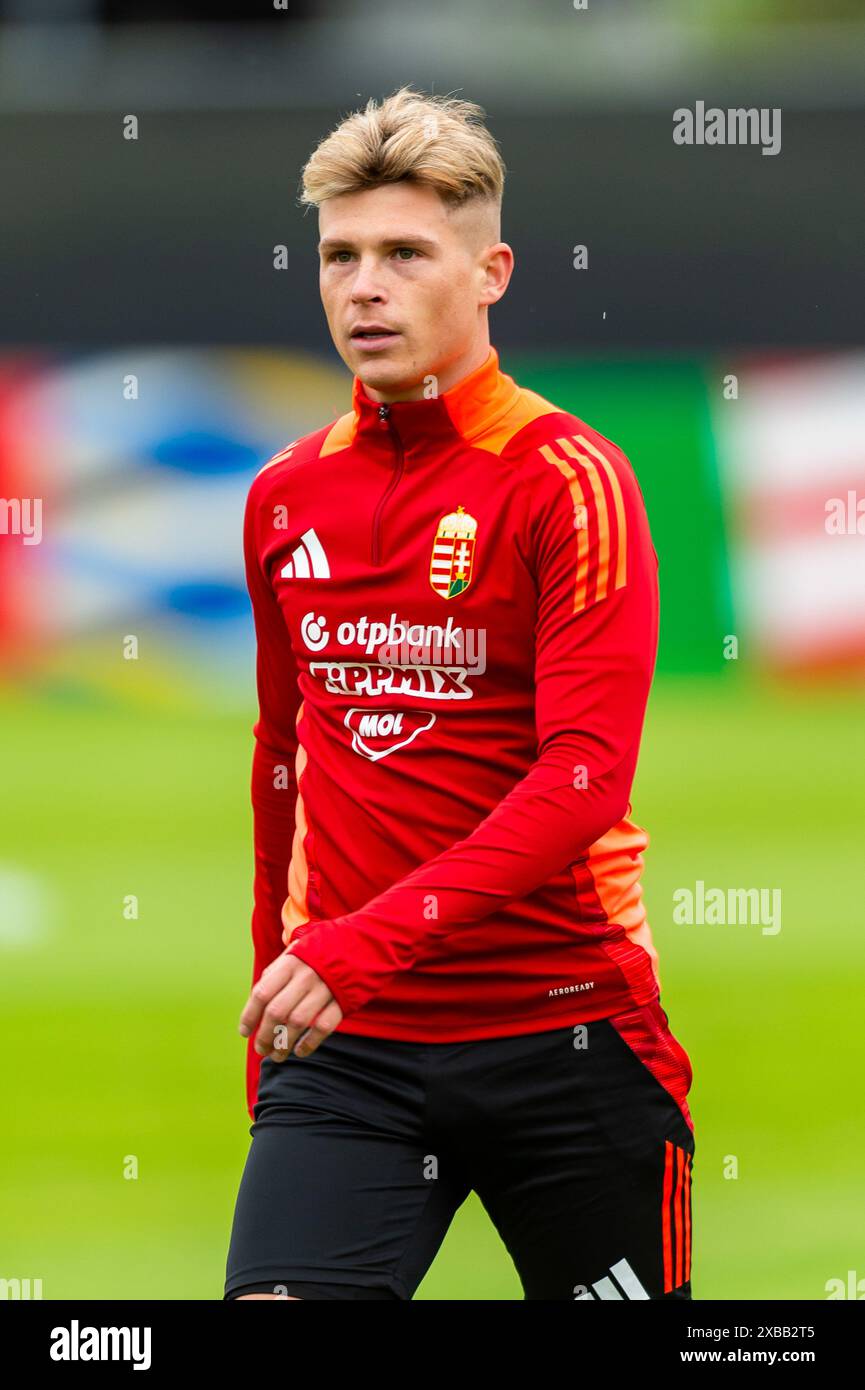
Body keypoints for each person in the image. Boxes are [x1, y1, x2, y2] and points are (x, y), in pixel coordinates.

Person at [224, 85, 694, 1302]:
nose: (362, 286)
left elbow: (583, 781)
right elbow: (286, 758)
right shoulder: (283, 496)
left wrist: (356, 947)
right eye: (338, 256)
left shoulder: (567, 480)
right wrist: (281, 978)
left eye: (402, 254)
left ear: (489, 272)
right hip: (349, 1050)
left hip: (565, 1030)